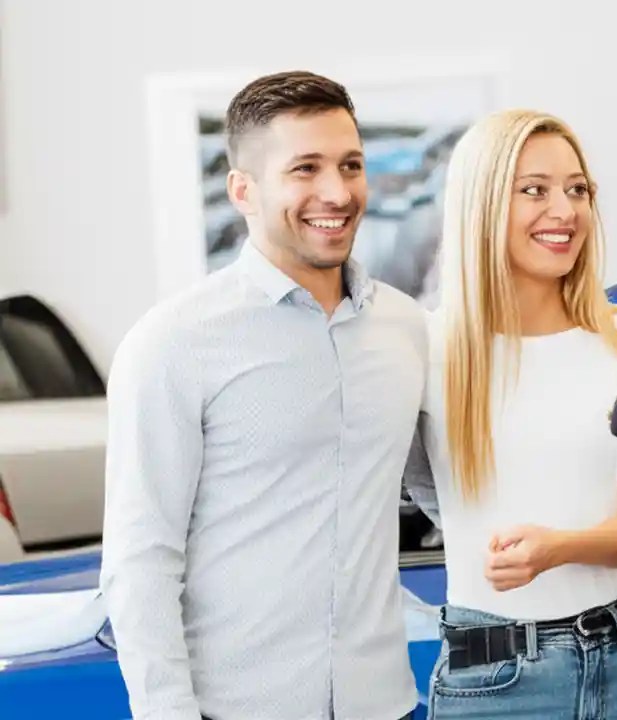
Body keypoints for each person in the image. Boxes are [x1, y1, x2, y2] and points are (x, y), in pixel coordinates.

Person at [101, 71, 426, 720]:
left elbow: (449, 493)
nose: (336, 192)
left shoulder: (408, 327)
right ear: (243, 190)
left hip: (384, 704)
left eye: (350, 165)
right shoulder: (172, 342)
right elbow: (141, 562)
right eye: (305, 168)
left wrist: (590, 548)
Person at [402, 108, 617, 719]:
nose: (565, 211)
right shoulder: (424, 352)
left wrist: (560, 548)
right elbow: (426, 489)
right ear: (481, 205)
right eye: (534, 190)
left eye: (577, 190)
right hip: (493, 682)